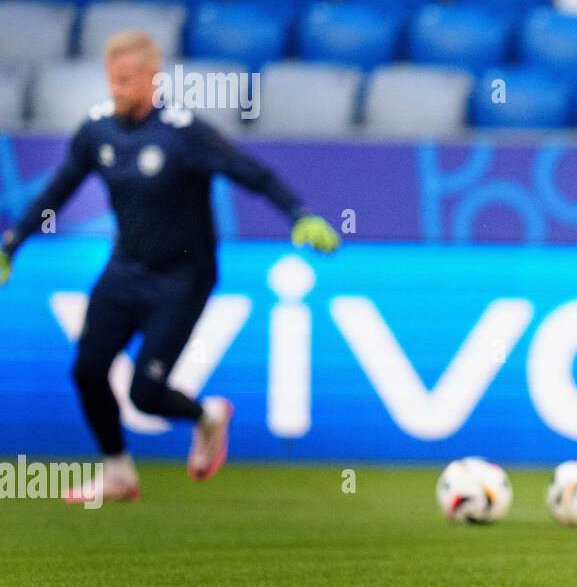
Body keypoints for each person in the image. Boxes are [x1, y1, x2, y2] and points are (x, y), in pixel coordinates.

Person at [0, 31, 341, 503]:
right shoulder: (96, 131)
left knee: (145, 394)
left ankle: (206, 418)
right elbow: (54, 194)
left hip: (182, 279)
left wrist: (299, 215)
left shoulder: (184, 133)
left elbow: (253, 173)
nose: (117, 90)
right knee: (87, 370)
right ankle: (118, 472)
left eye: (125, 81)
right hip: (124, 269)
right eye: (111, 81)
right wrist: (12, 244)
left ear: (151, 78)